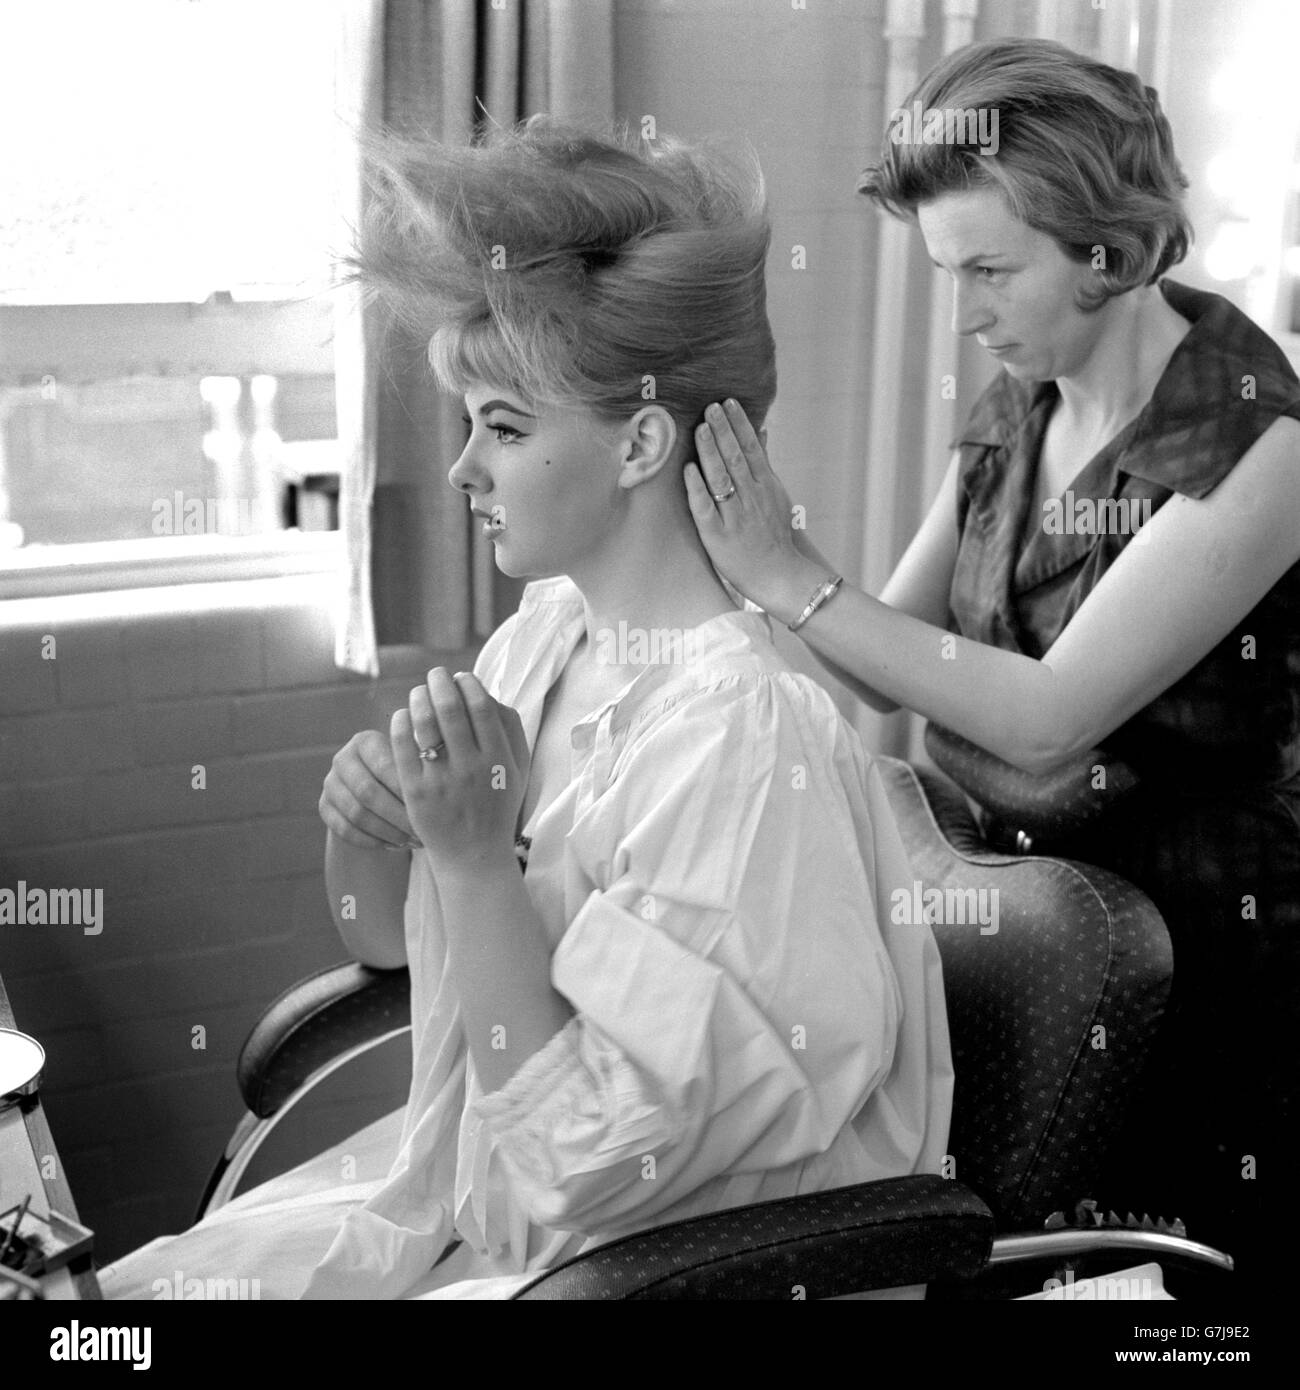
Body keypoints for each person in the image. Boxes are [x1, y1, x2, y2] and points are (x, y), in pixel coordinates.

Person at [98, 119, 952, 1301]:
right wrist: (372, 831)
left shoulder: (745, 741)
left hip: (628, 1269)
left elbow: (587, 1156)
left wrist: (471, 856)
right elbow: (392, 950)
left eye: (504, 427)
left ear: (642, 441)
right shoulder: (542, 641)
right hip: (469, 1207)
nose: (462, 470)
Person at [684, 38, 1300, 1295]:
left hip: (1205, 985)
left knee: (1169, 1302)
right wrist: (726, 550)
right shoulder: (1023, 398)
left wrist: (790, 572)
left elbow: (1044, 720)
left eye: (987, 272)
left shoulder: (1256, 439)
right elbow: (879, 661)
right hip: (1015, 948)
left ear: (1106, 251)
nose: (962, 313)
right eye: (946, 271)